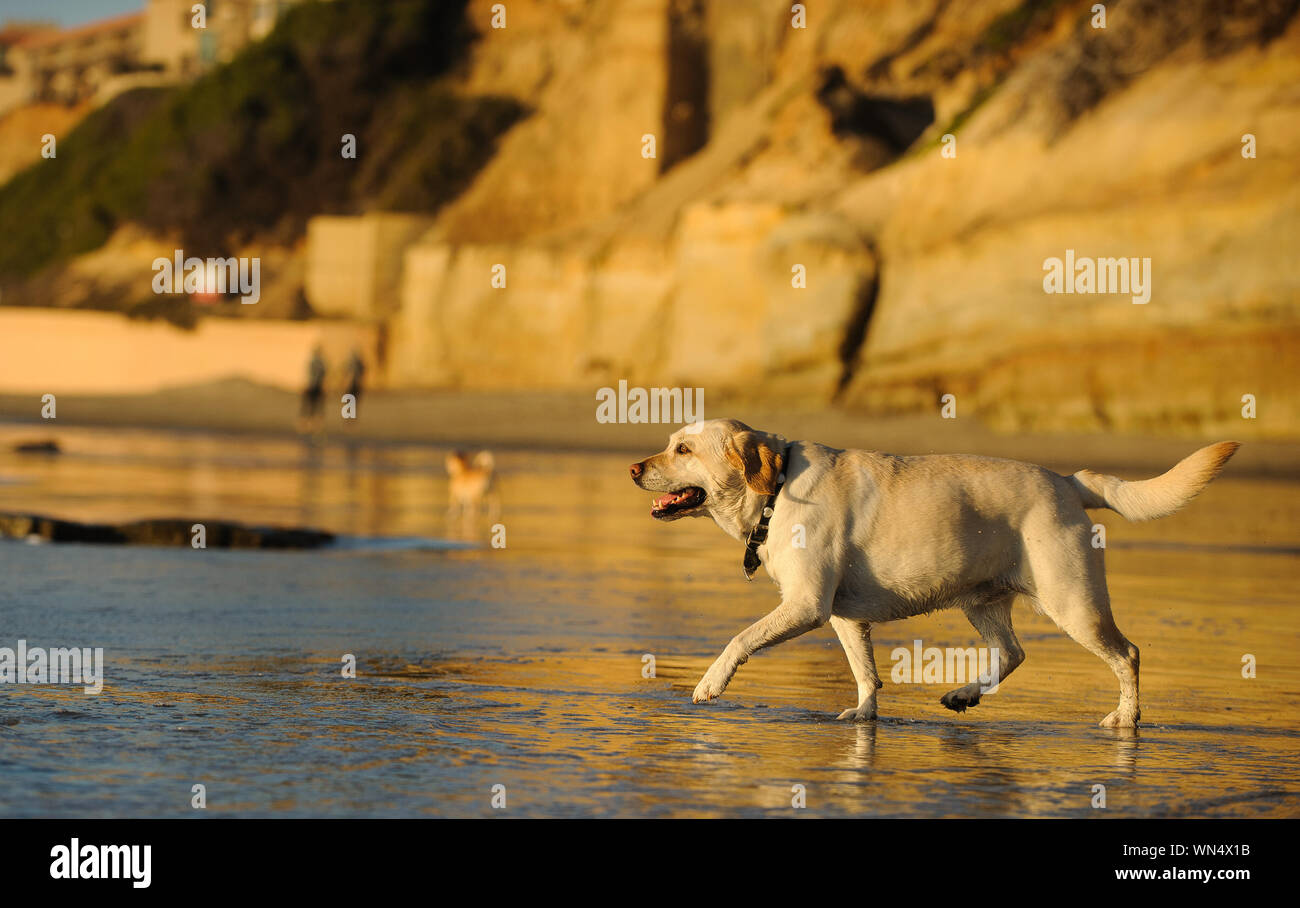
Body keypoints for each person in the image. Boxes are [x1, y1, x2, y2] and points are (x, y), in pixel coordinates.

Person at [298, 345, 327, 433]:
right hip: (316, 385)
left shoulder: (314, 362)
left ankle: (308, 423)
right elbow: (323, 374)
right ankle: (311, 424)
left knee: (311, 405)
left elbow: (309, 374)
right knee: (314, 405)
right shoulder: (321, 362)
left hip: (313, 385)